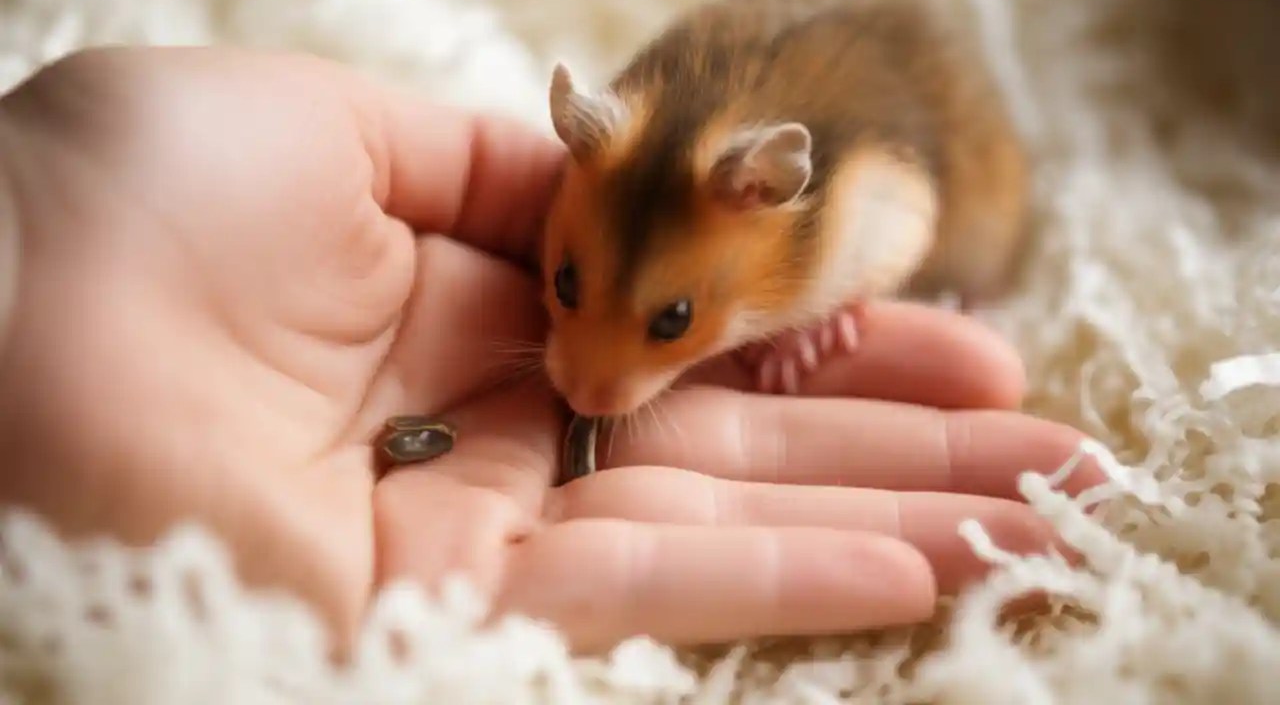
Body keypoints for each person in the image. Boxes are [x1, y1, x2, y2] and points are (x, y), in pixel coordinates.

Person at [0, 46, 1101, 654]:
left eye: (666, 323)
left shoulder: (807, 204)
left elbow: (892, 207)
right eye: (567, 290)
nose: (582, 375)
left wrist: (832, 307)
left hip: (948, 164)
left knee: (982, 256)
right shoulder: (607, 146)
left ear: (767, 191)